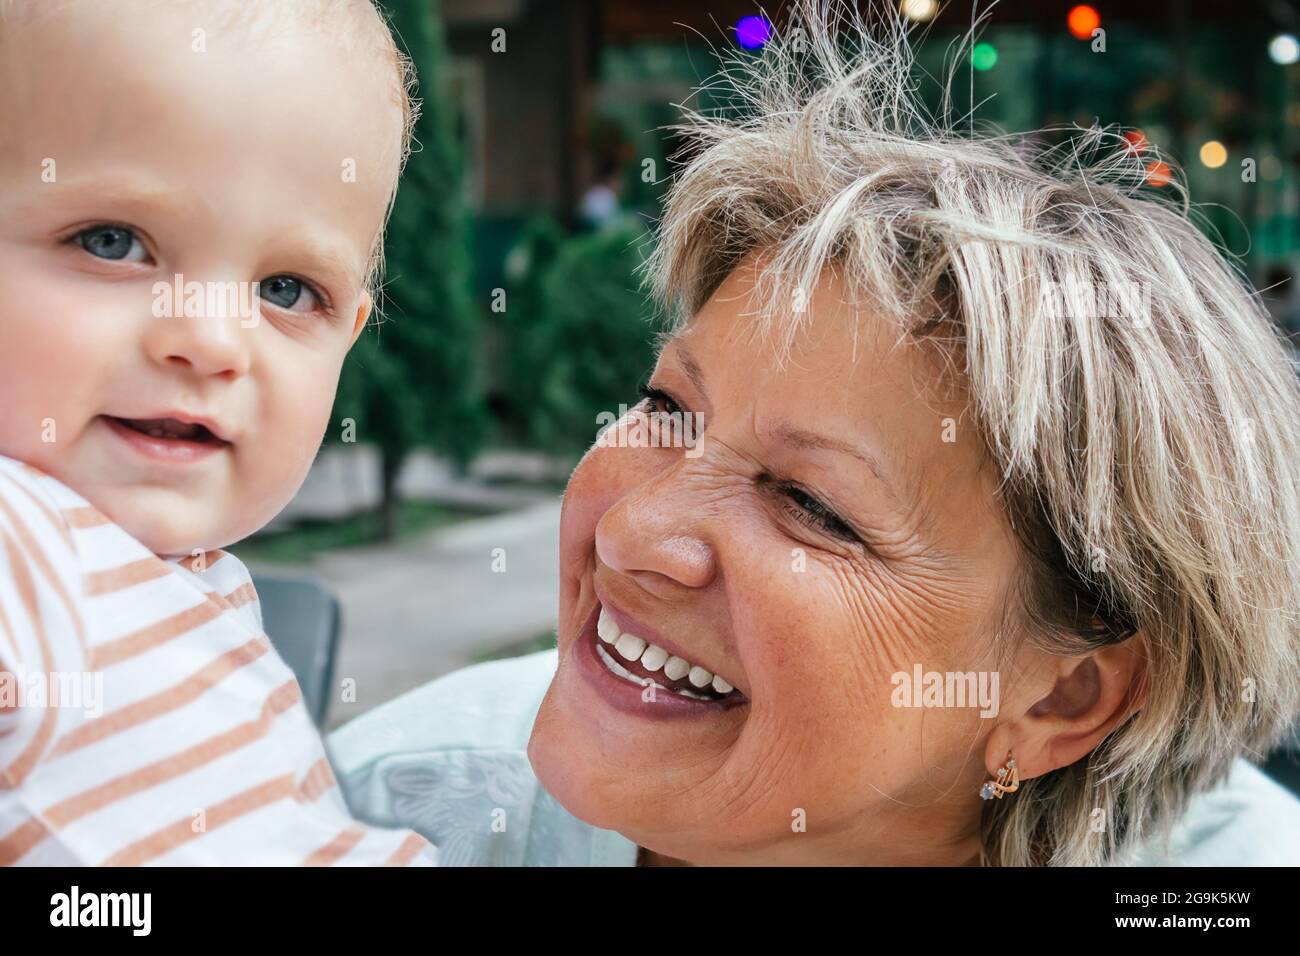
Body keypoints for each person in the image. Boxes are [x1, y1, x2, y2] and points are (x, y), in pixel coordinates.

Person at [329, 0, 1300, 866]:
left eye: (809, 503)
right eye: (667, 410)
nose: (631, 535)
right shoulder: (379, 814)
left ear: (1062, 698)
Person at [0, 0, 434, 865]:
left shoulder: (164, 575)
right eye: (113, 242)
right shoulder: (22, 542)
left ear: (348, 335)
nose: (208, 341)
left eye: (285, 292)